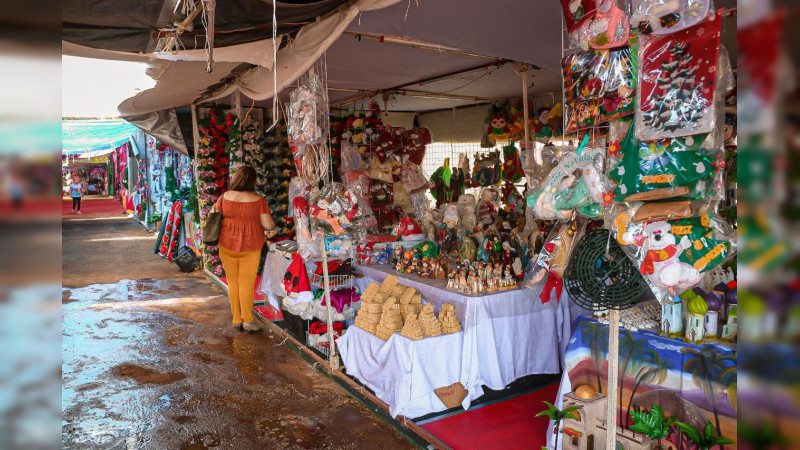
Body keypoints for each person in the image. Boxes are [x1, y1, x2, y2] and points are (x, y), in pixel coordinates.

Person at [213, 166, 277, 332]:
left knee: (233, 282)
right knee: (246, 284)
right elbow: (268, 224)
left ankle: (236, 318)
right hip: (251, 246)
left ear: (236, 179)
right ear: (253, 181)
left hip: (226, 244)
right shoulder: (258, 201)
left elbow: (212, 214)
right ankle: (248, 320)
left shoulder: (224, 197)